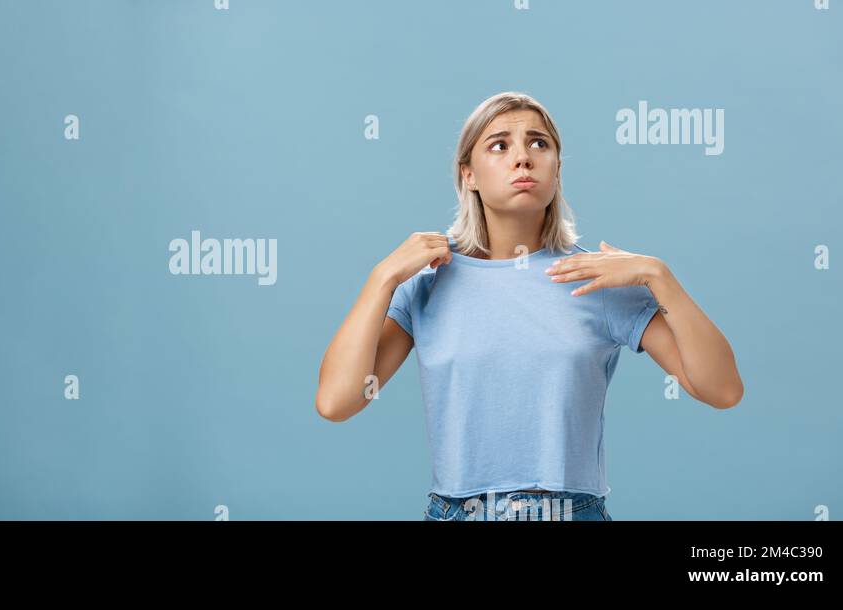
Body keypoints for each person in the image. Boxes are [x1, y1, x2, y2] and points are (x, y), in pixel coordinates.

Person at [314, 92, 744, 521]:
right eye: (500, 145)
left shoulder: (598, 278)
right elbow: (337, 402)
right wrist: (381, 280)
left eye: (539, 143)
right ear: (469, 175)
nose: (523, 158)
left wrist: (660, 277)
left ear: (557, 169)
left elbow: (721, 390)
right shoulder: (425, 286)